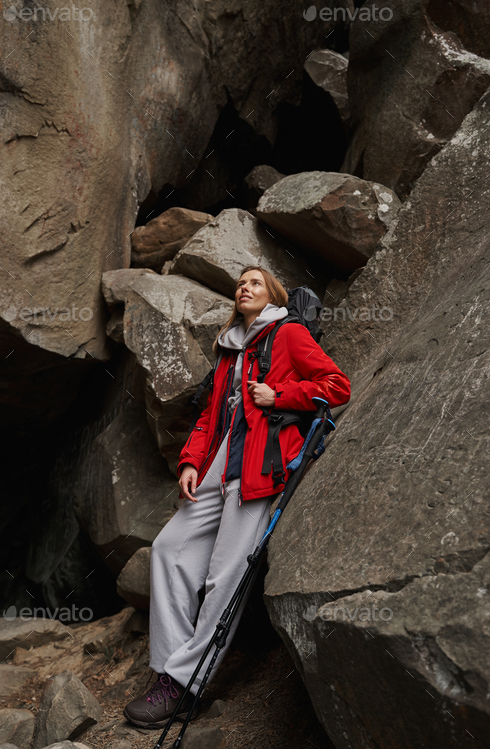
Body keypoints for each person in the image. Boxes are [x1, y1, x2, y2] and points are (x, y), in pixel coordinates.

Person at [123, 266, 351, 728]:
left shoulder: (287, 334)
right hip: (217, 468)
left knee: (224, 575)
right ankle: (168, 668)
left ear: (273, 295)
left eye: (255, 282)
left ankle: (185, 683)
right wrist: (189, 460)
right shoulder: (229, 349)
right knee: (168, 550)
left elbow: (336, 385)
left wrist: (280, 394)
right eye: (240, 283)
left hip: (259, 467)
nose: (243, 287)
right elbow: (211, 416)